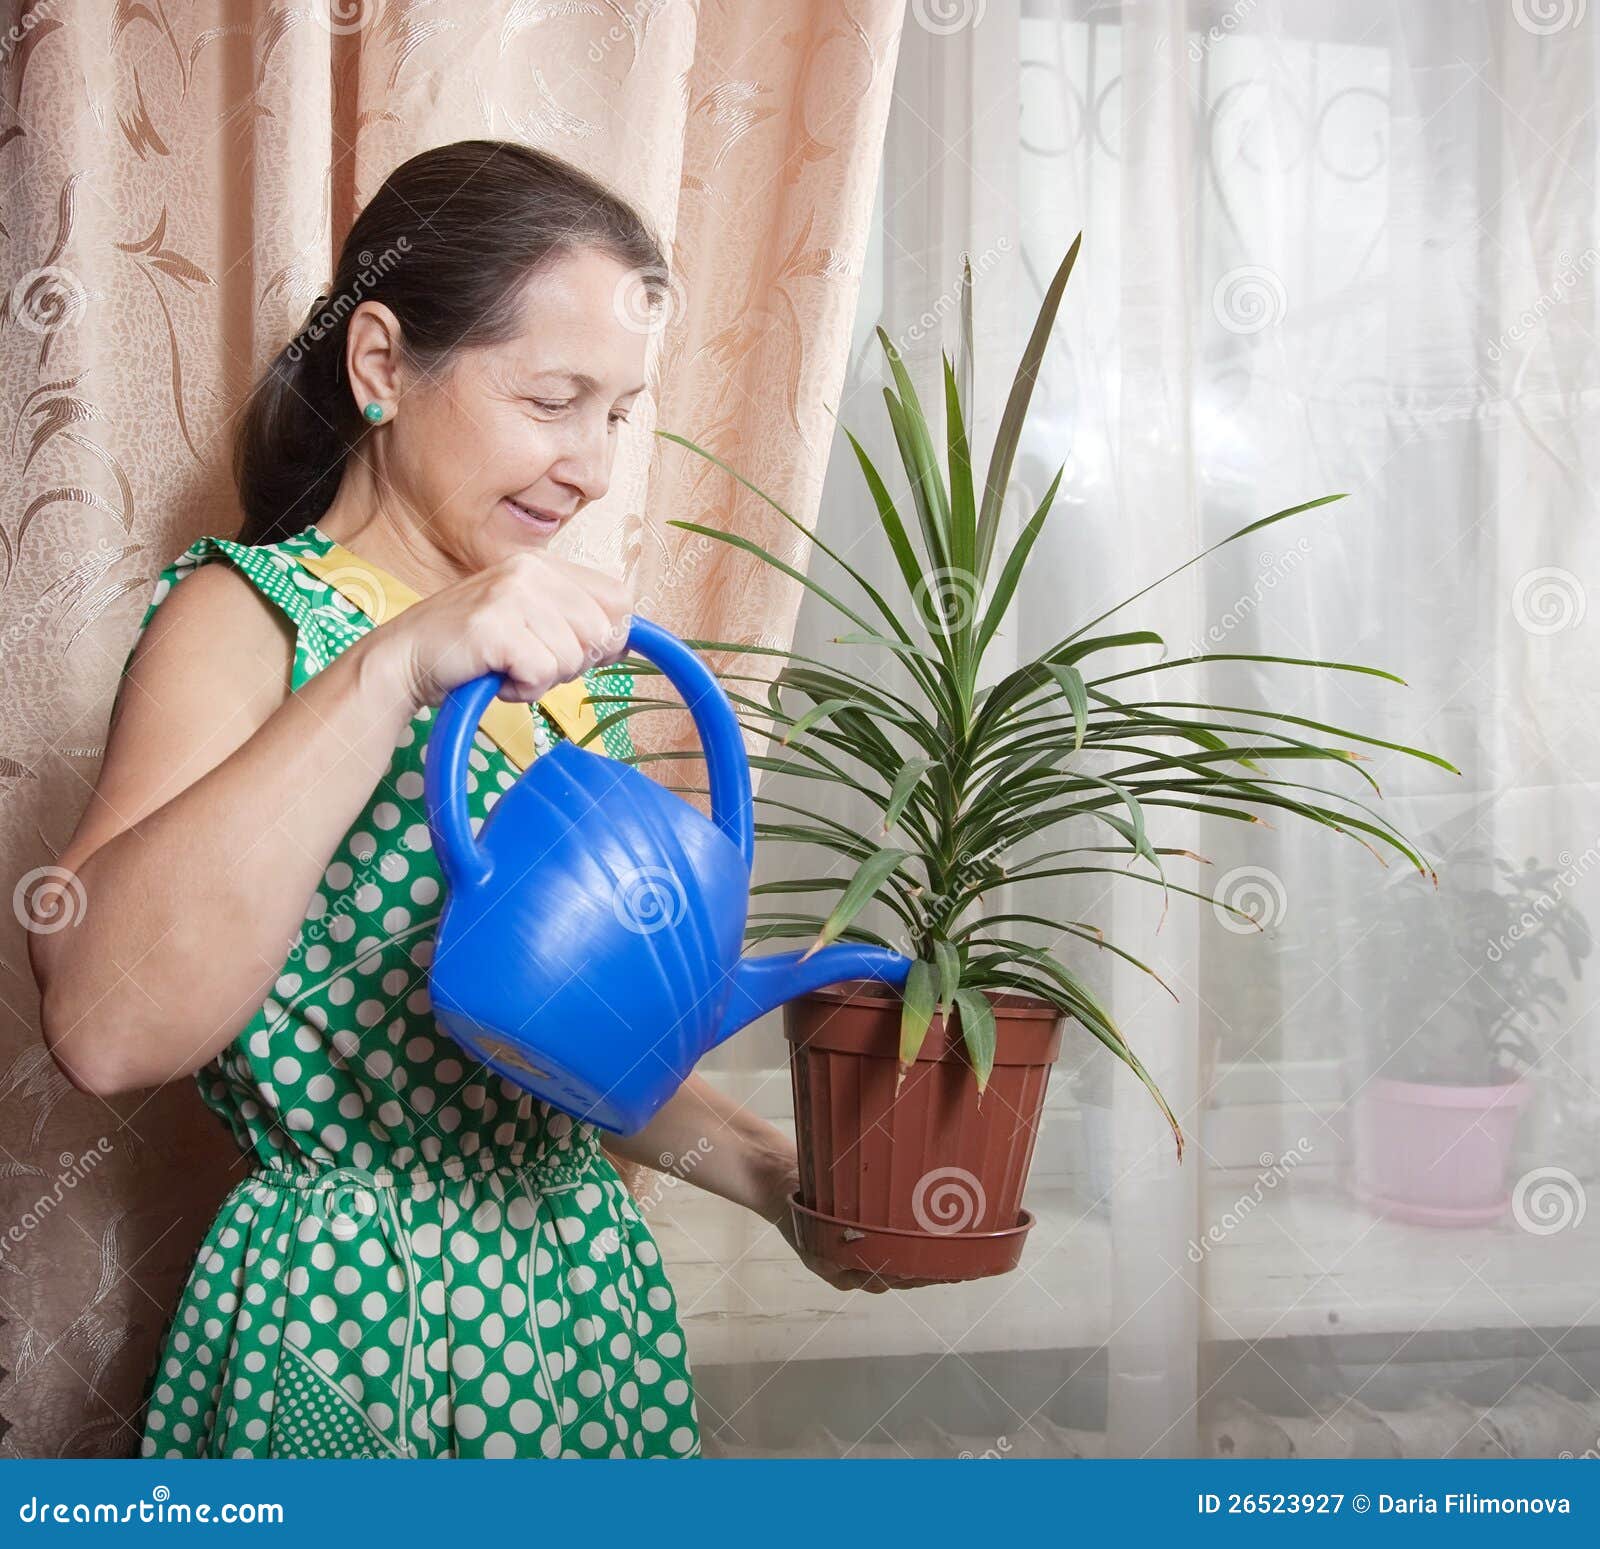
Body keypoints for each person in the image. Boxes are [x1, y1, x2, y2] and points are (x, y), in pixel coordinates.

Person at [29, 138, 883, 1462]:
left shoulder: (558, 673)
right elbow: (106, 1022)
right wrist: (396, 662)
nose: (595, 467)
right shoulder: (250, 619)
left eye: (619, 413)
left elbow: (564, 1059)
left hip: (580, 1313)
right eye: (554, 398)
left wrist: (783, 1183)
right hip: (346, 1325)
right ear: (381, 363)